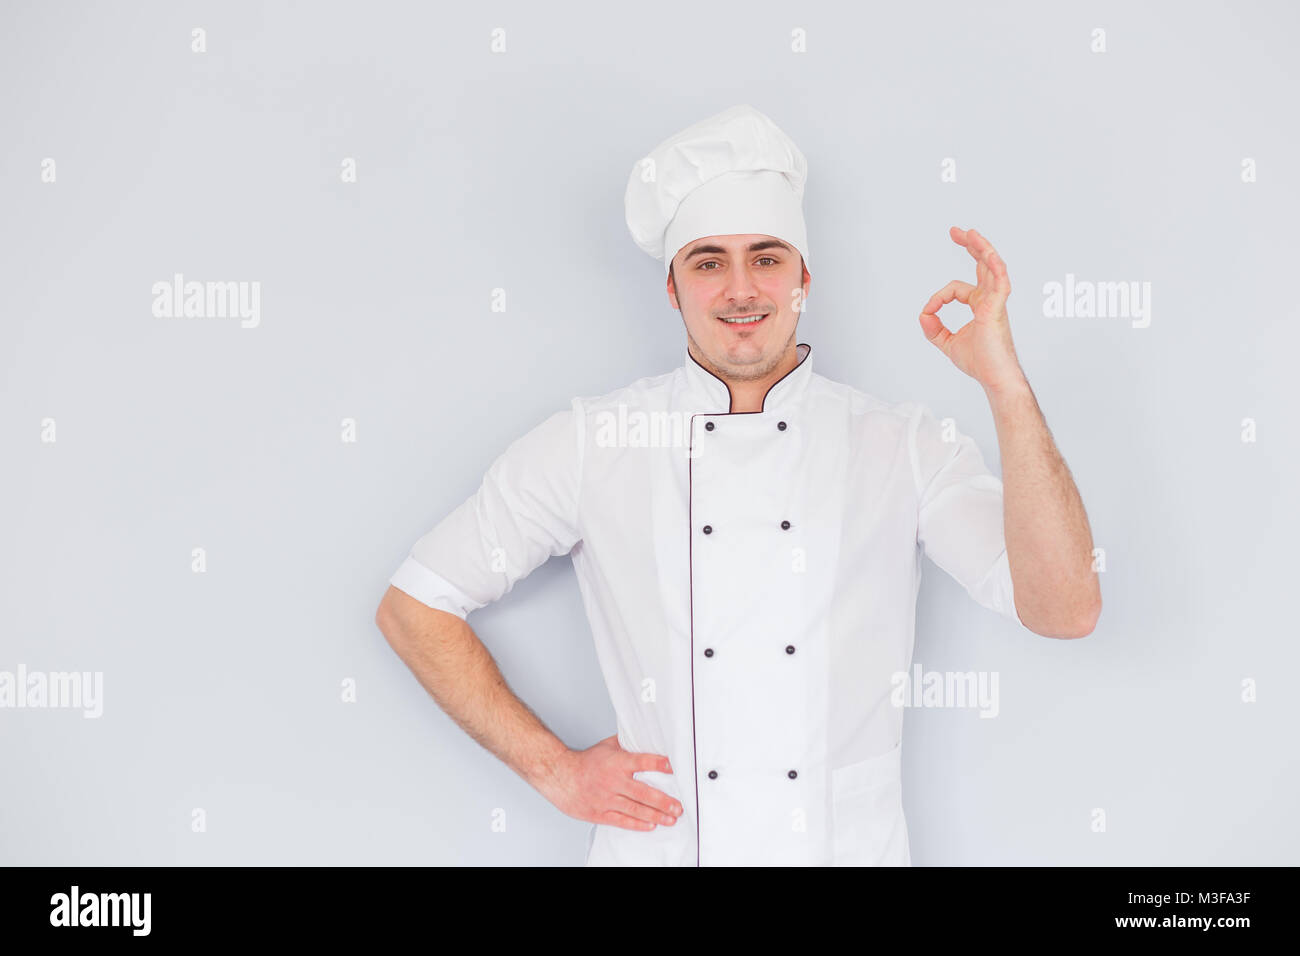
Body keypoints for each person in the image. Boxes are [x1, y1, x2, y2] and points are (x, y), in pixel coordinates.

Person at [374, 104, 1101, 866]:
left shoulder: (903, 444)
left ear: (804, 279)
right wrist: (554, 770)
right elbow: (413, 605)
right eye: (708, 261)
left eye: (767, 256)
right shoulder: (596, 441)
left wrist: (1006, 388)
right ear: (673, 289)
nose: (741, 288)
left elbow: (1065, 609)